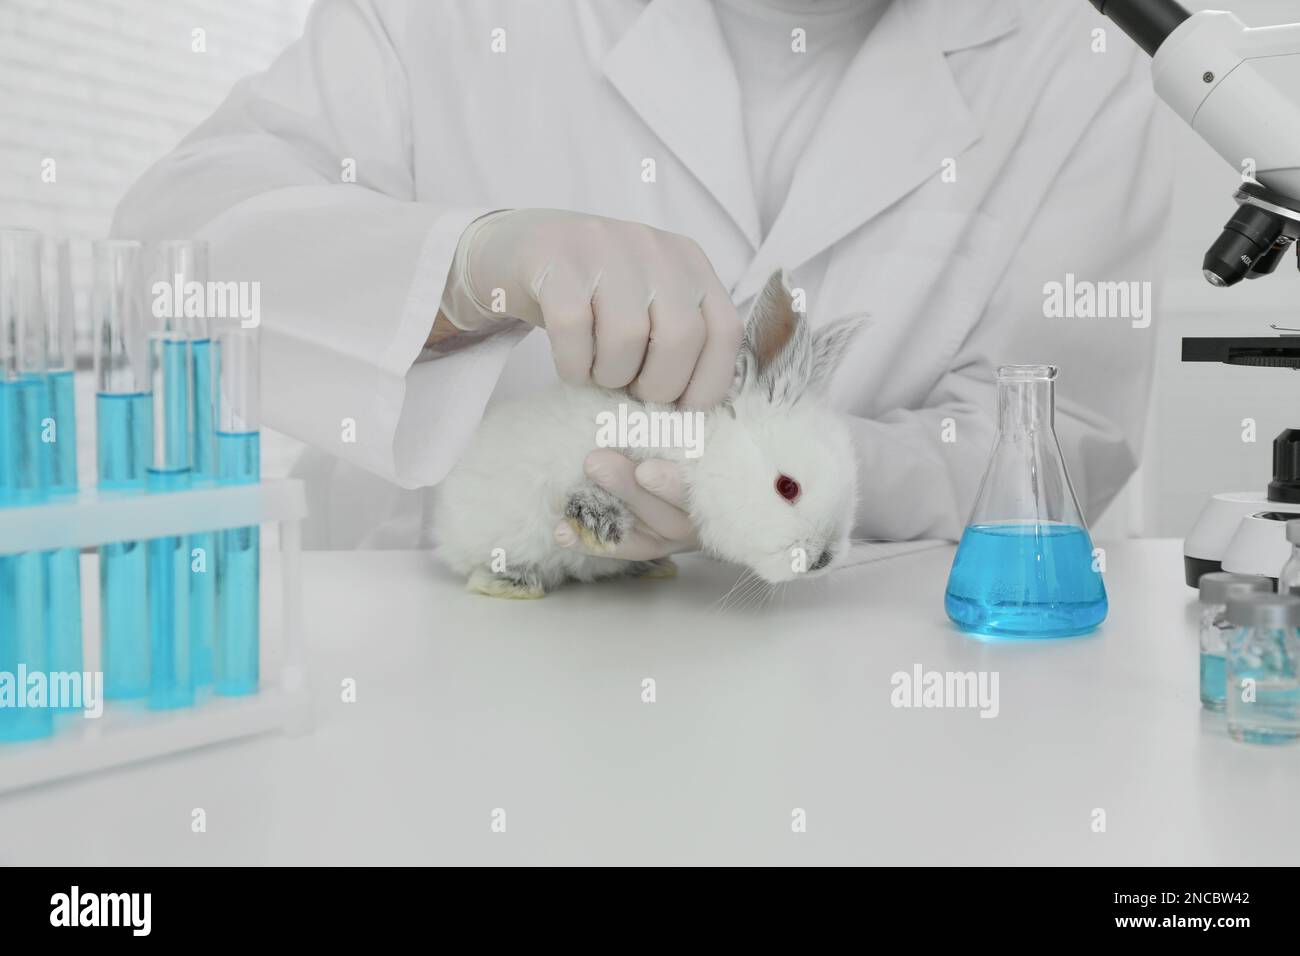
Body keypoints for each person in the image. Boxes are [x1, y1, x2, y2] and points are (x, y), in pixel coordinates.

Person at [112, 0, 1170, 553]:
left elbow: (1051, 443)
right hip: (418, 663)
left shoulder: (1075, 59)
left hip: (848, 700)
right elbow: (168, 256)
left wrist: (765, 473)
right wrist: (472, 264)